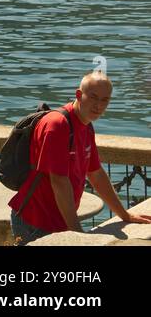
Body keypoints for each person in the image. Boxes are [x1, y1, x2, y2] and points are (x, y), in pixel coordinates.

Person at [8, 72, 151, 243]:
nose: (98, 105)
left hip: (58, 221)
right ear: (78, 95)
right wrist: (77, 232)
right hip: (35, 222)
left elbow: (96, 173)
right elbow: (59, 181)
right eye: (93, 97)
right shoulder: (57, 125)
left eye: (104, 100)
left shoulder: (86, 125)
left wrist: (124, 214)